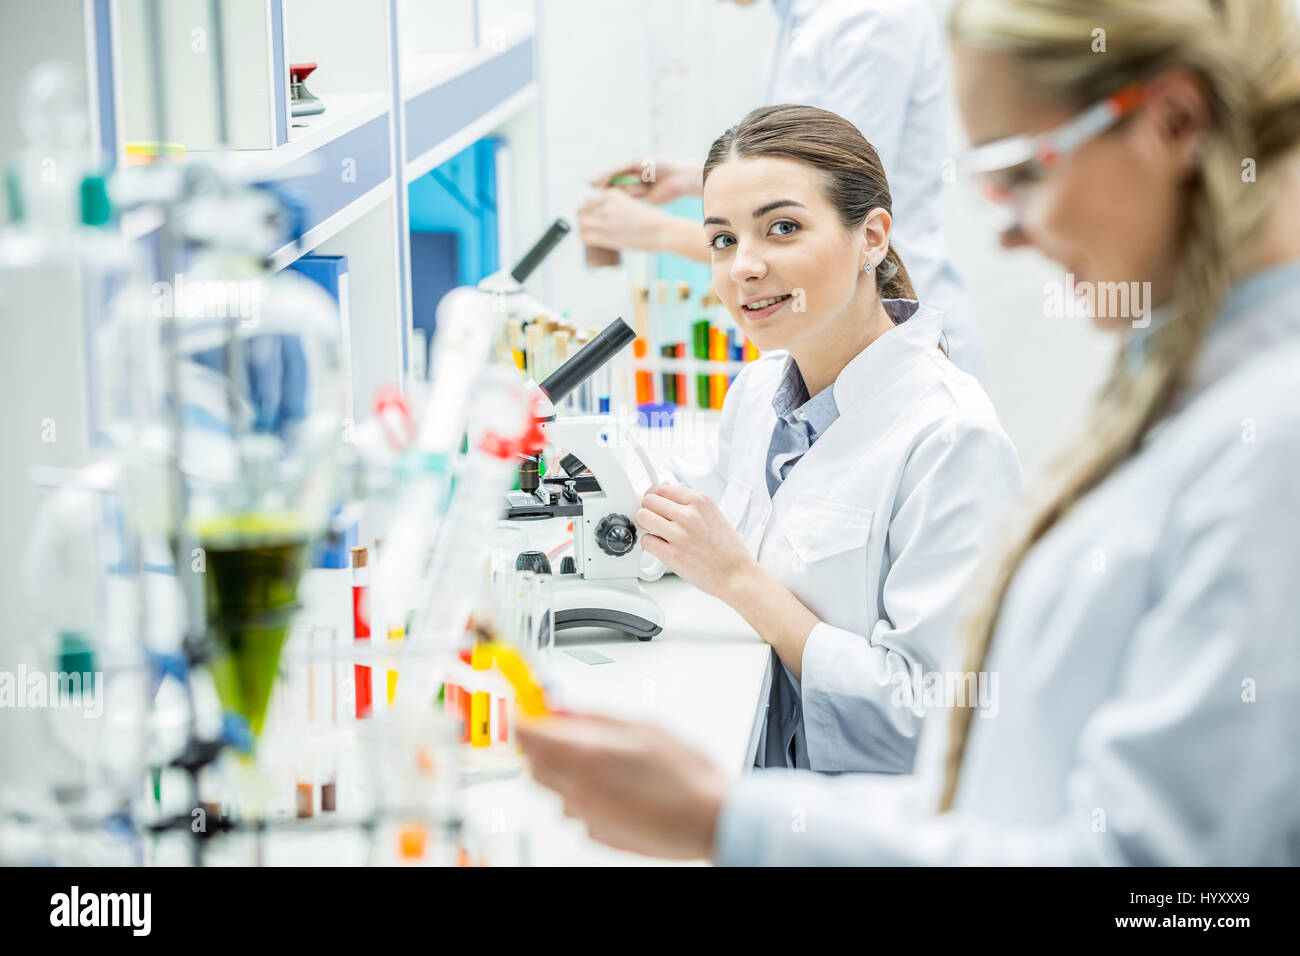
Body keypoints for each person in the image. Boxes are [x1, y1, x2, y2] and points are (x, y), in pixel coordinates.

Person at [519, 0, 1300, 864]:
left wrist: (726, 823)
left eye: (1024, 170)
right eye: (720, 239)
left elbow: (1152, 870)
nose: (1004, 227)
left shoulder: (1261, 441)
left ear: (1176, 123)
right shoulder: (1181, 384)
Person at [637, 103, 1022, 774]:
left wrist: (739, 580)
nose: (743, 268)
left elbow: (930, 723)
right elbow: (703, 517)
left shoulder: (951, 439)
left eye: (782, 228)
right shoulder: (760, 392)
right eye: (723, 240)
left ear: (872, 238)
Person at [579, 0, 989, 383]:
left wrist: (655, 233)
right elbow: (799, 177)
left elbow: (832, 202)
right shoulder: (798, 19)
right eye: (724, 238)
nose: (742, 269)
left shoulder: (868, 21)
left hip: (890, 333)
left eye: (721, 240)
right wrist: (693, 179)